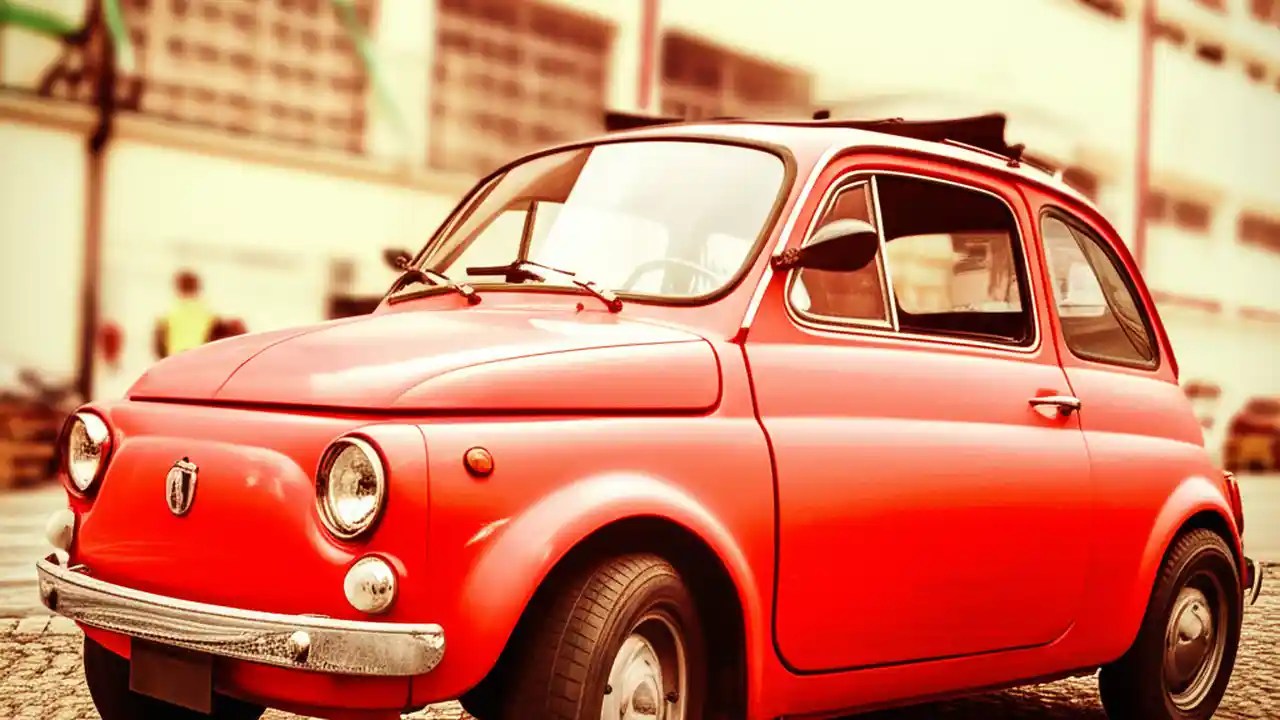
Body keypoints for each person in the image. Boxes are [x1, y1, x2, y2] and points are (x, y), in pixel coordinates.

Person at [153, 270, 216, 359]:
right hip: (200, 360)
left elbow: (159, 347)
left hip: (176, 360)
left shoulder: (167, 315)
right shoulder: (209, 314)